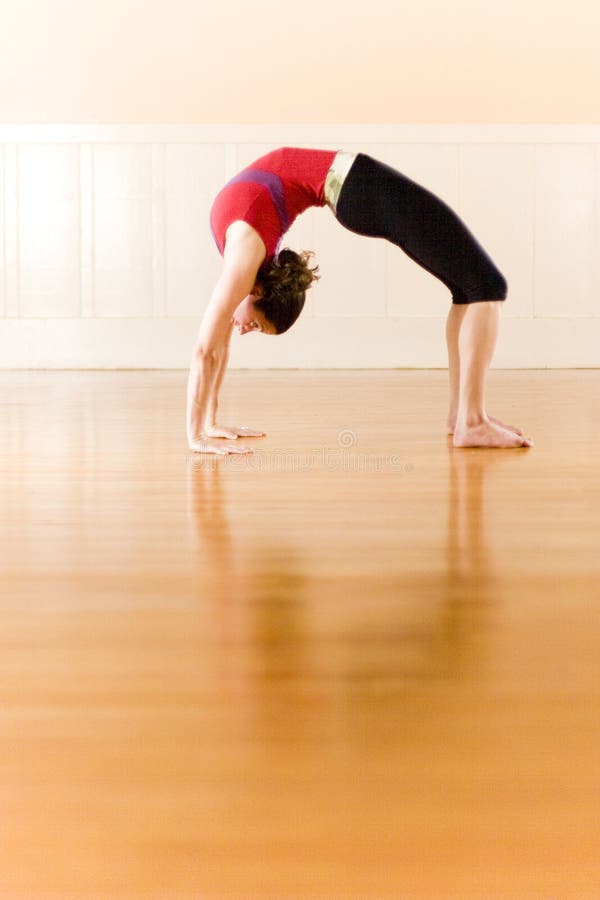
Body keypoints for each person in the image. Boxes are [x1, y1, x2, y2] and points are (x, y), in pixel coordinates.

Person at [187, 147, 532, 455]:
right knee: (476, 286)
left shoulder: (244, 260)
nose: (245, 329)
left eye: (256, 326)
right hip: (356, 186)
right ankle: (467, 419)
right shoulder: (247, 266)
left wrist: (196, 437)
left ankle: (467, 418)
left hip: (358, 186)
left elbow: (207, 349)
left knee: (482, 286)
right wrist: (210, 422)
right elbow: (218, 344)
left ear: (258, 293)